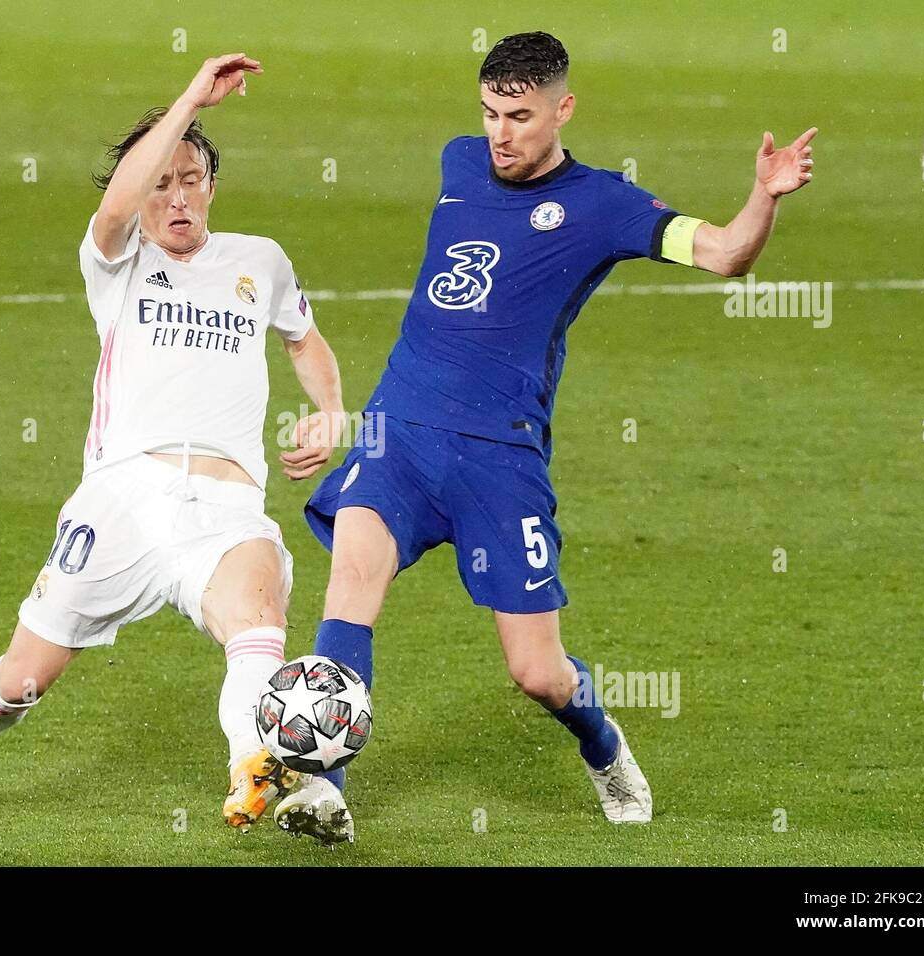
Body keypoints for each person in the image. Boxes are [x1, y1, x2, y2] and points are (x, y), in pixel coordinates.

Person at [284, 31, 817, 844]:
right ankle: (325, 785)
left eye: (521, 116)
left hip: (499, 457)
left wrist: (764, 197)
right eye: (491, 112)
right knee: (351, 584)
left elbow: (723, 255)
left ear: (563, 109)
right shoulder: (460, 163)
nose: (501, 133)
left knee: (536, 673)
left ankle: (605, 747)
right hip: (401, 433)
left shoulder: (603, 204)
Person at [0, 54, 346, 833]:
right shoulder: (116, 260)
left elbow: (304, 339)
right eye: (161, 183)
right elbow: (115, 207)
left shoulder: (258, 262)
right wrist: (190, 101)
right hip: (124, 499)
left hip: (228, 503)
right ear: (139, 195)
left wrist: (334, 411)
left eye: (193, 179)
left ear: (213, 187)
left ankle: (253, 766)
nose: (178, 197)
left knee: (257, 618)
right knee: (22, 682)